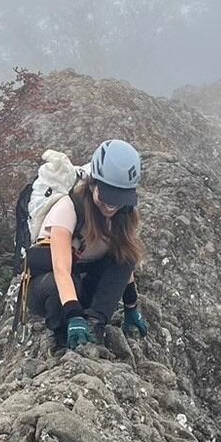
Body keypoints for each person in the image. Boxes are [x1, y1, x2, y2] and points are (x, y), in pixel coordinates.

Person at [26, 139, 149, 350]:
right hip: (50, 286)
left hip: (83, 284)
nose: (111, 206)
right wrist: (73, 315)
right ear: (93, 184)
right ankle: (63, 335)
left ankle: (94, 325)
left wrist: (131, 306)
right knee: (62, 284)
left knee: (126, 258)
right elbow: (61, 270)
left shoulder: (123, 215)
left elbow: (124, 262)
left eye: (119, 198)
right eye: (107, 195)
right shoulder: (68, 208)